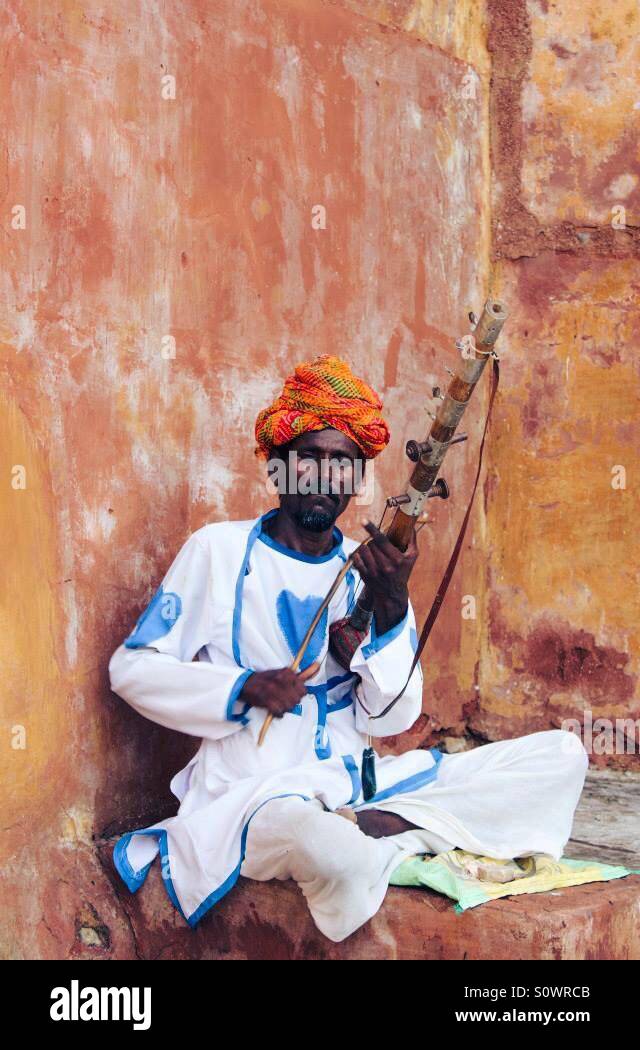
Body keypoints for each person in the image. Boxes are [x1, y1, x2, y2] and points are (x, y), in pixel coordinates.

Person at [109, 355, 588, 942]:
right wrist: (243, 688)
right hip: (257, 799)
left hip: (358, 787)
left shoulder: (366, 570)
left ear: (356, 482)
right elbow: (132, 668)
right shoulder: (218, 552)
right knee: (334, 853)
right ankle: (396, 835)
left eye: (343, 464)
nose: (323, 476)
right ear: (279, 468)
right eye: (308, 457)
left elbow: (393, 716)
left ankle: (377, 825)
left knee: (562, 756)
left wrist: (391, 606)